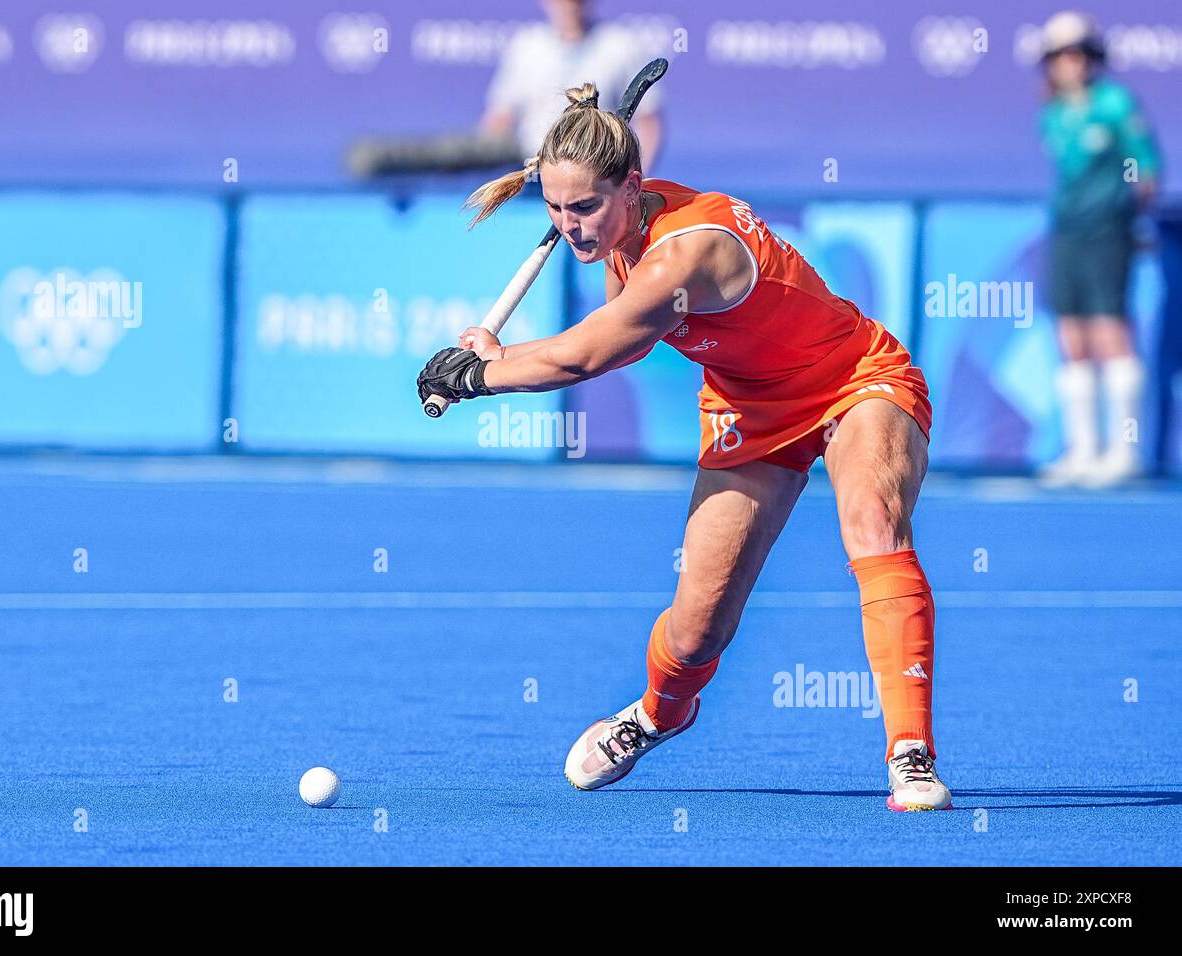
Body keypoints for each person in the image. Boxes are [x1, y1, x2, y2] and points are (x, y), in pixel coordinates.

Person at [418, 84, 950, 812]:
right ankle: (657, 715)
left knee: (872, 522)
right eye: (553, 209)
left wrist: (480, 375)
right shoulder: (623, 239)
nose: (569, 228)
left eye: (584, 208)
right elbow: (620, 342)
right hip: (747, 406)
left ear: (631, 188)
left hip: (854, 377)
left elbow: (584, 359)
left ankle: (910, 755)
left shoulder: (685, 252)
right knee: (698, 632)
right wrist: (499, 355)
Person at [1037, 11, 1161, 488]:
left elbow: (1146, 168)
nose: (1072, 63)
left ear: (1093, 57)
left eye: (1080, 53)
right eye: (1061, 55)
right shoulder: (1051, 113)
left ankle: (1124, 452)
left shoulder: (1115, 103)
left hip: (1108, 231)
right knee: (1071, 336)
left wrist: (1125, 216)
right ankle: (1083, 451)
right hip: (1066, 231)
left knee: (1111, 331)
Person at [480, 0, 662, 171]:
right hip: (532, 172)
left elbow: (648, 121)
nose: (569, 5)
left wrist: (634, 178)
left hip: (597, 173)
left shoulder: (618, 45)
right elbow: (500, 119)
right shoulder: (527, 46)